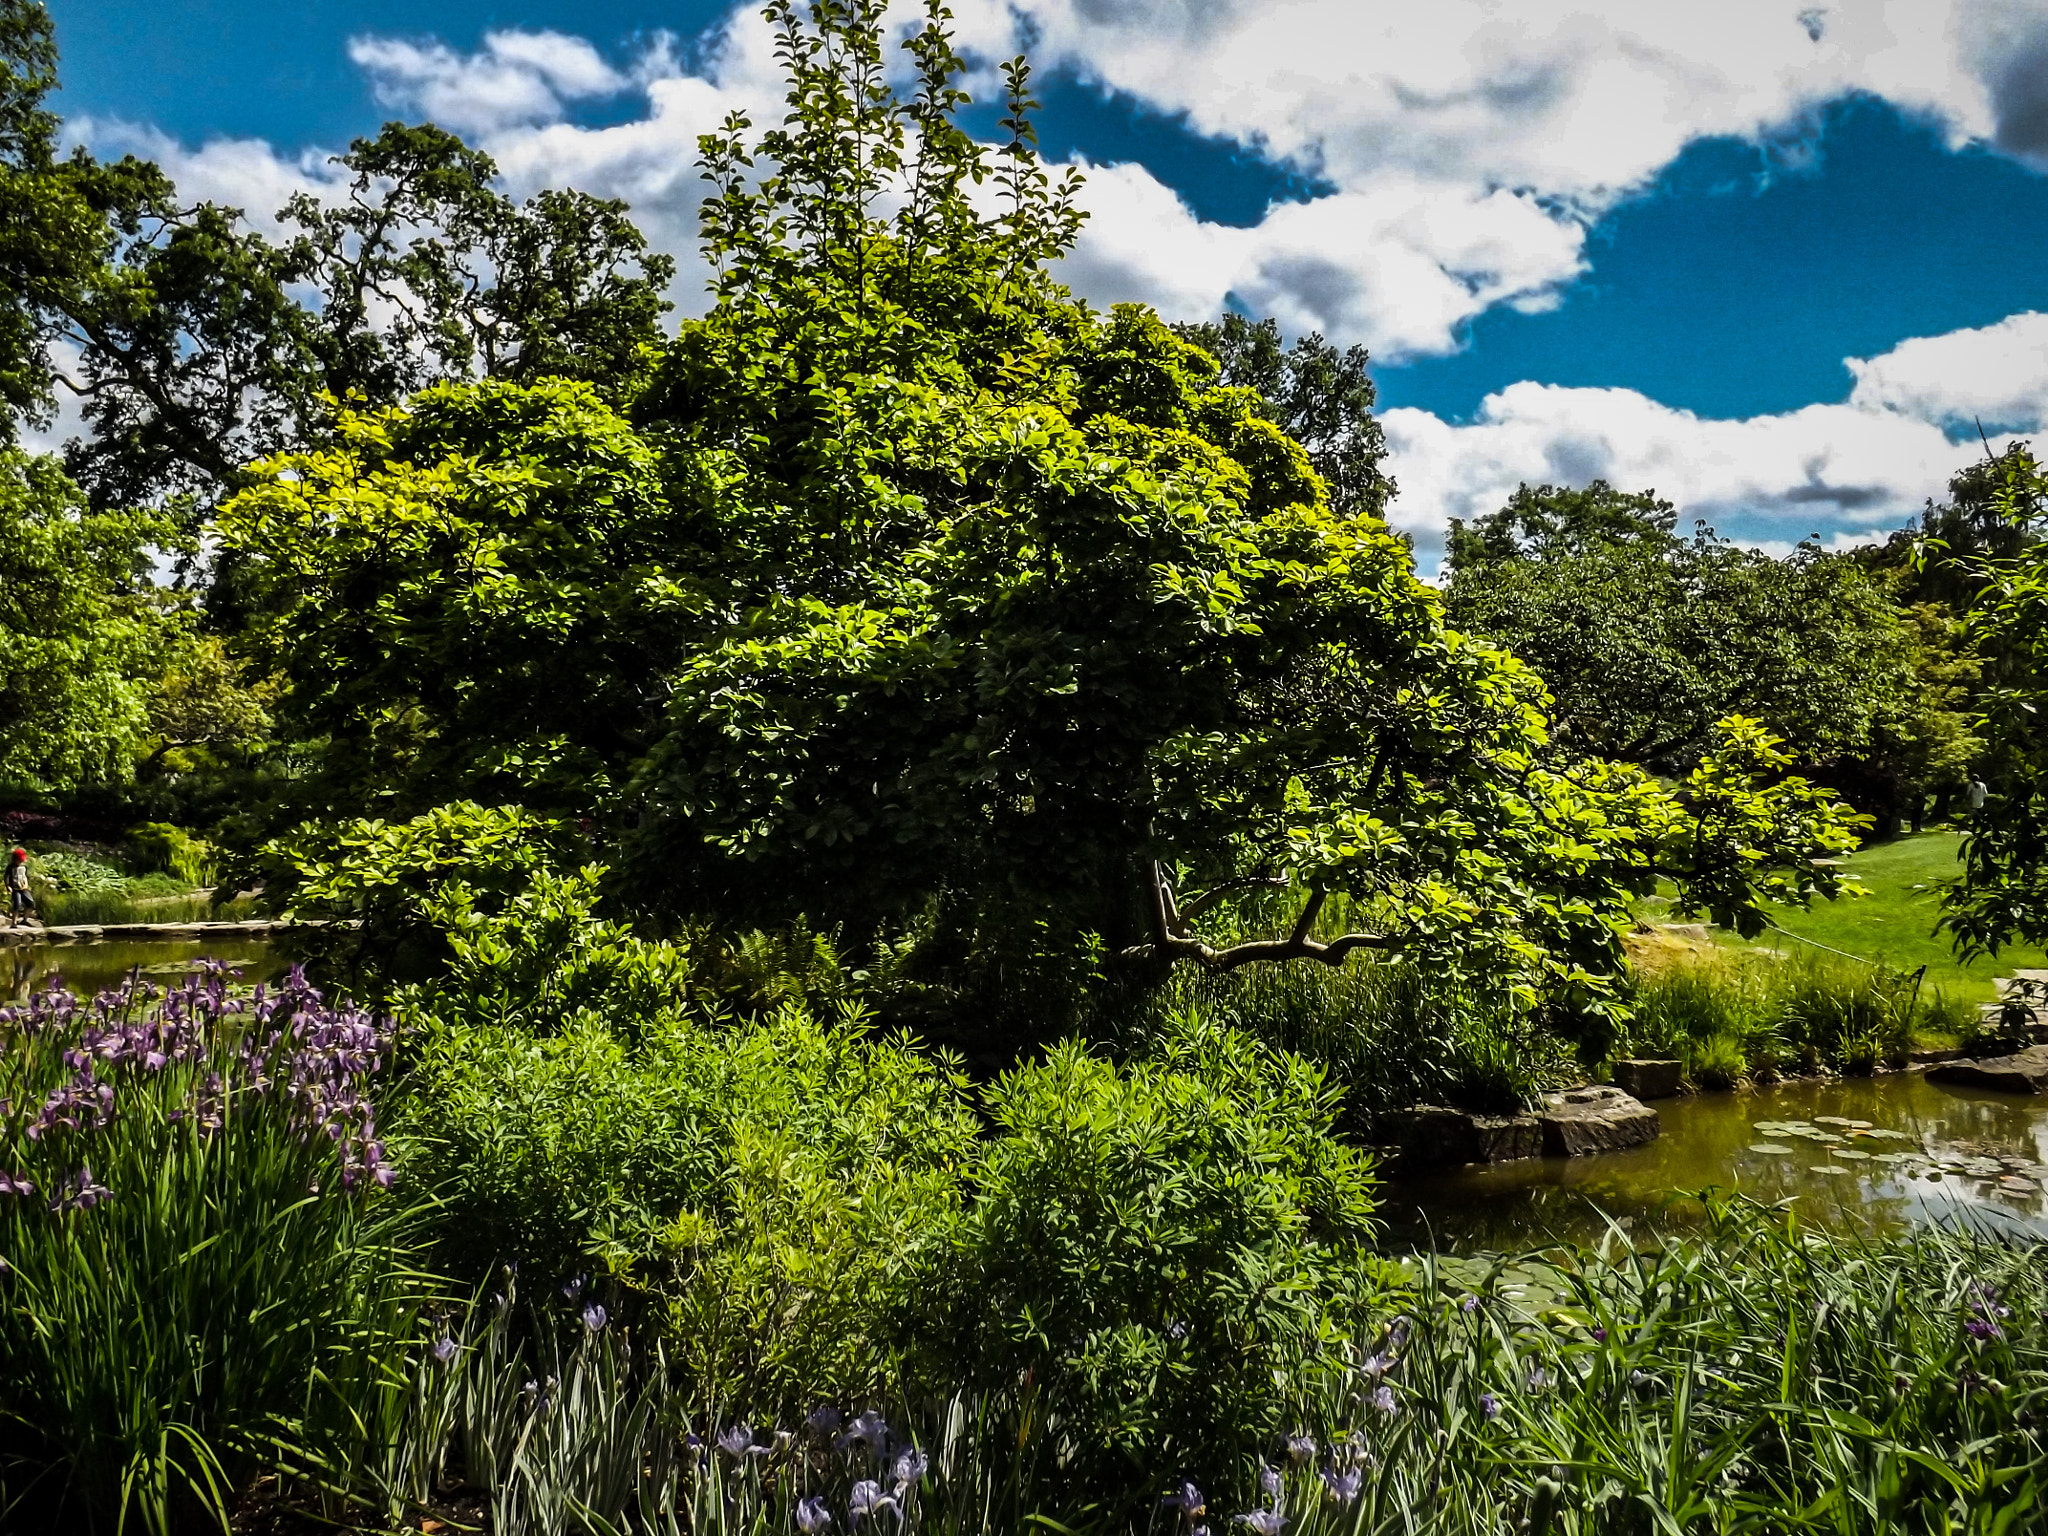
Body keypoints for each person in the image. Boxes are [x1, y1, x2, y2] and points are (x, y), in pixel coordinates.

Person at [5, 847, 34, 926]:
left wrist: (26, 885)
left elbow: (25, 876)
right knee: (17, 904)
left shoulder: (24, 867)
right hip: (15, 888)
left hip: (23, 888)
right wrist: (8, 886)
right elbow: (6, 877)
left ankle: (25, 919)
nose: (20, 862)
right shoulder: (10, 867)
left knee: (30, 903)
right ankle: (14, 922)